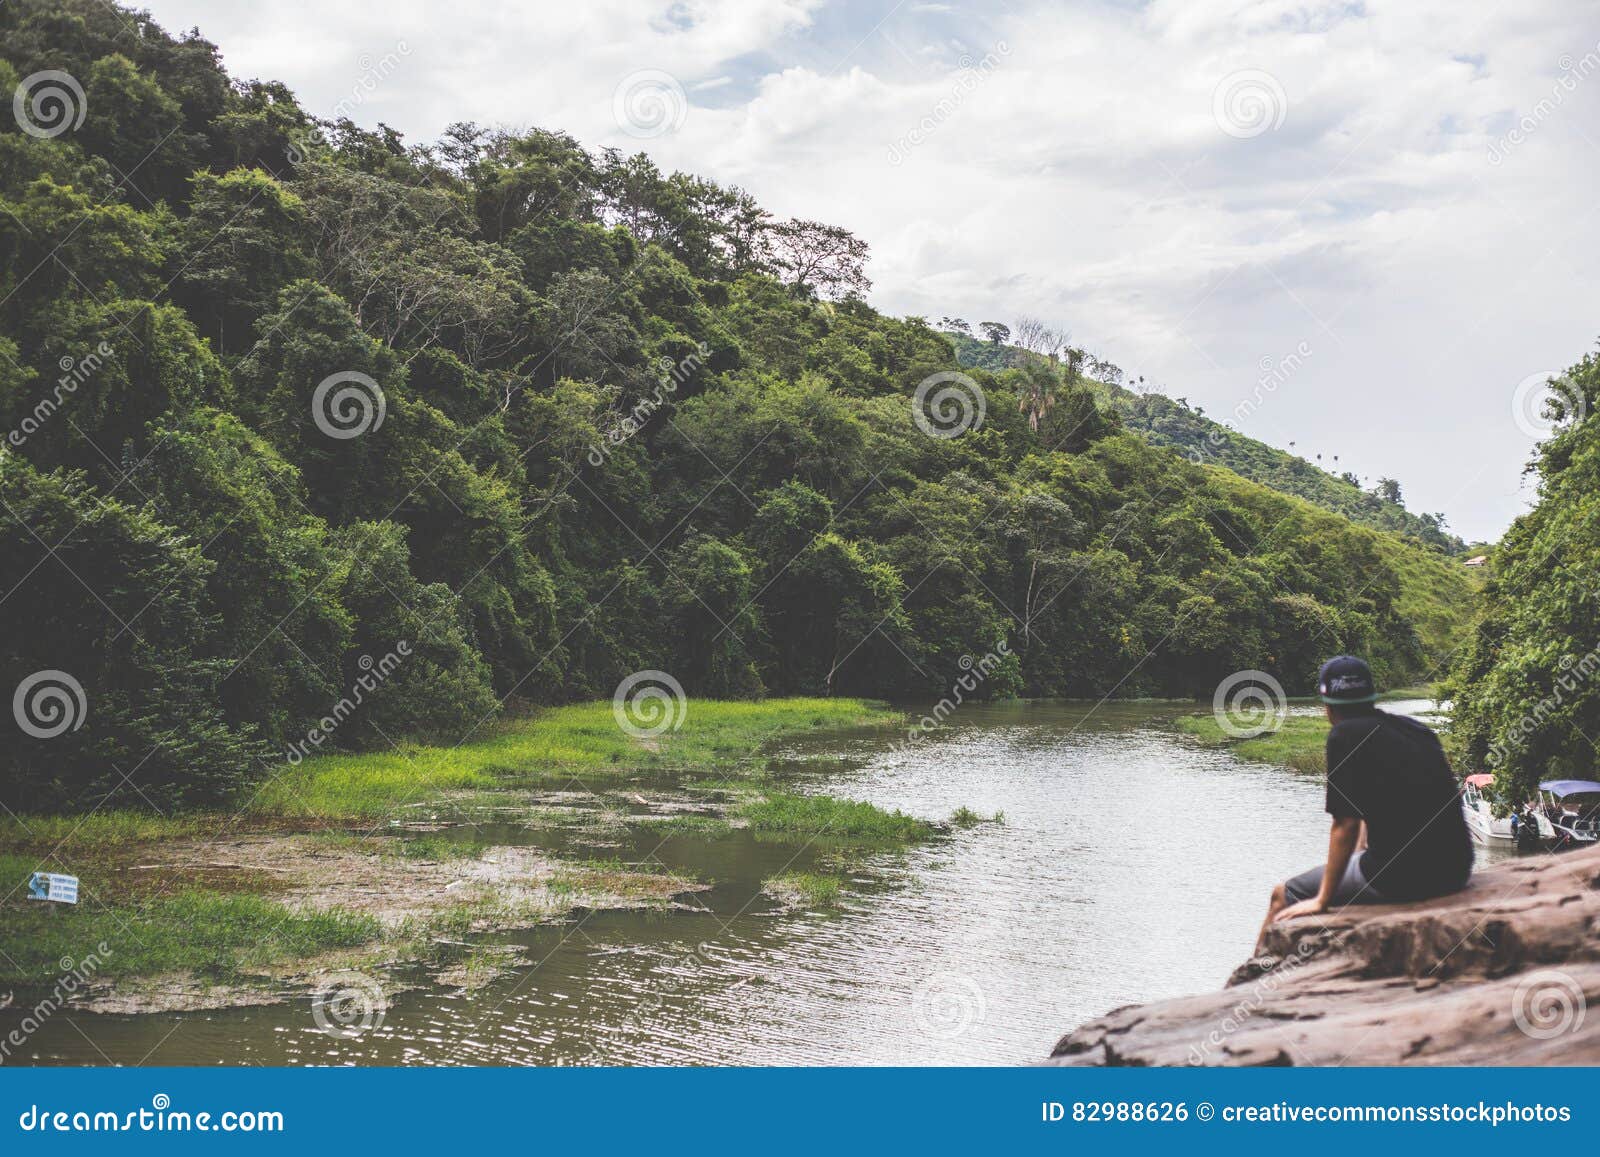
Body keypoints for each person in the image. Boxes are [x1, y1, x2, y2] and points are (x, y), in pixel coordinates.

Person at [1262, 655, 1473, 933]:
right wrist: (1361, 853)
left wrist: (1323, 899)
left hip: (1401, 879)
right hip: (1457, 869)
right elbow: (1369, 808)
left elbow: (1344, 825)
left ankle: (1254, 976)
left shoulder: (1344, 735)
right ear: (1372, 696)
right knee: (1359, 862)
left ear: (1327, 705)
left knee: (1283, 894)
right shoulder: (1415, 729)